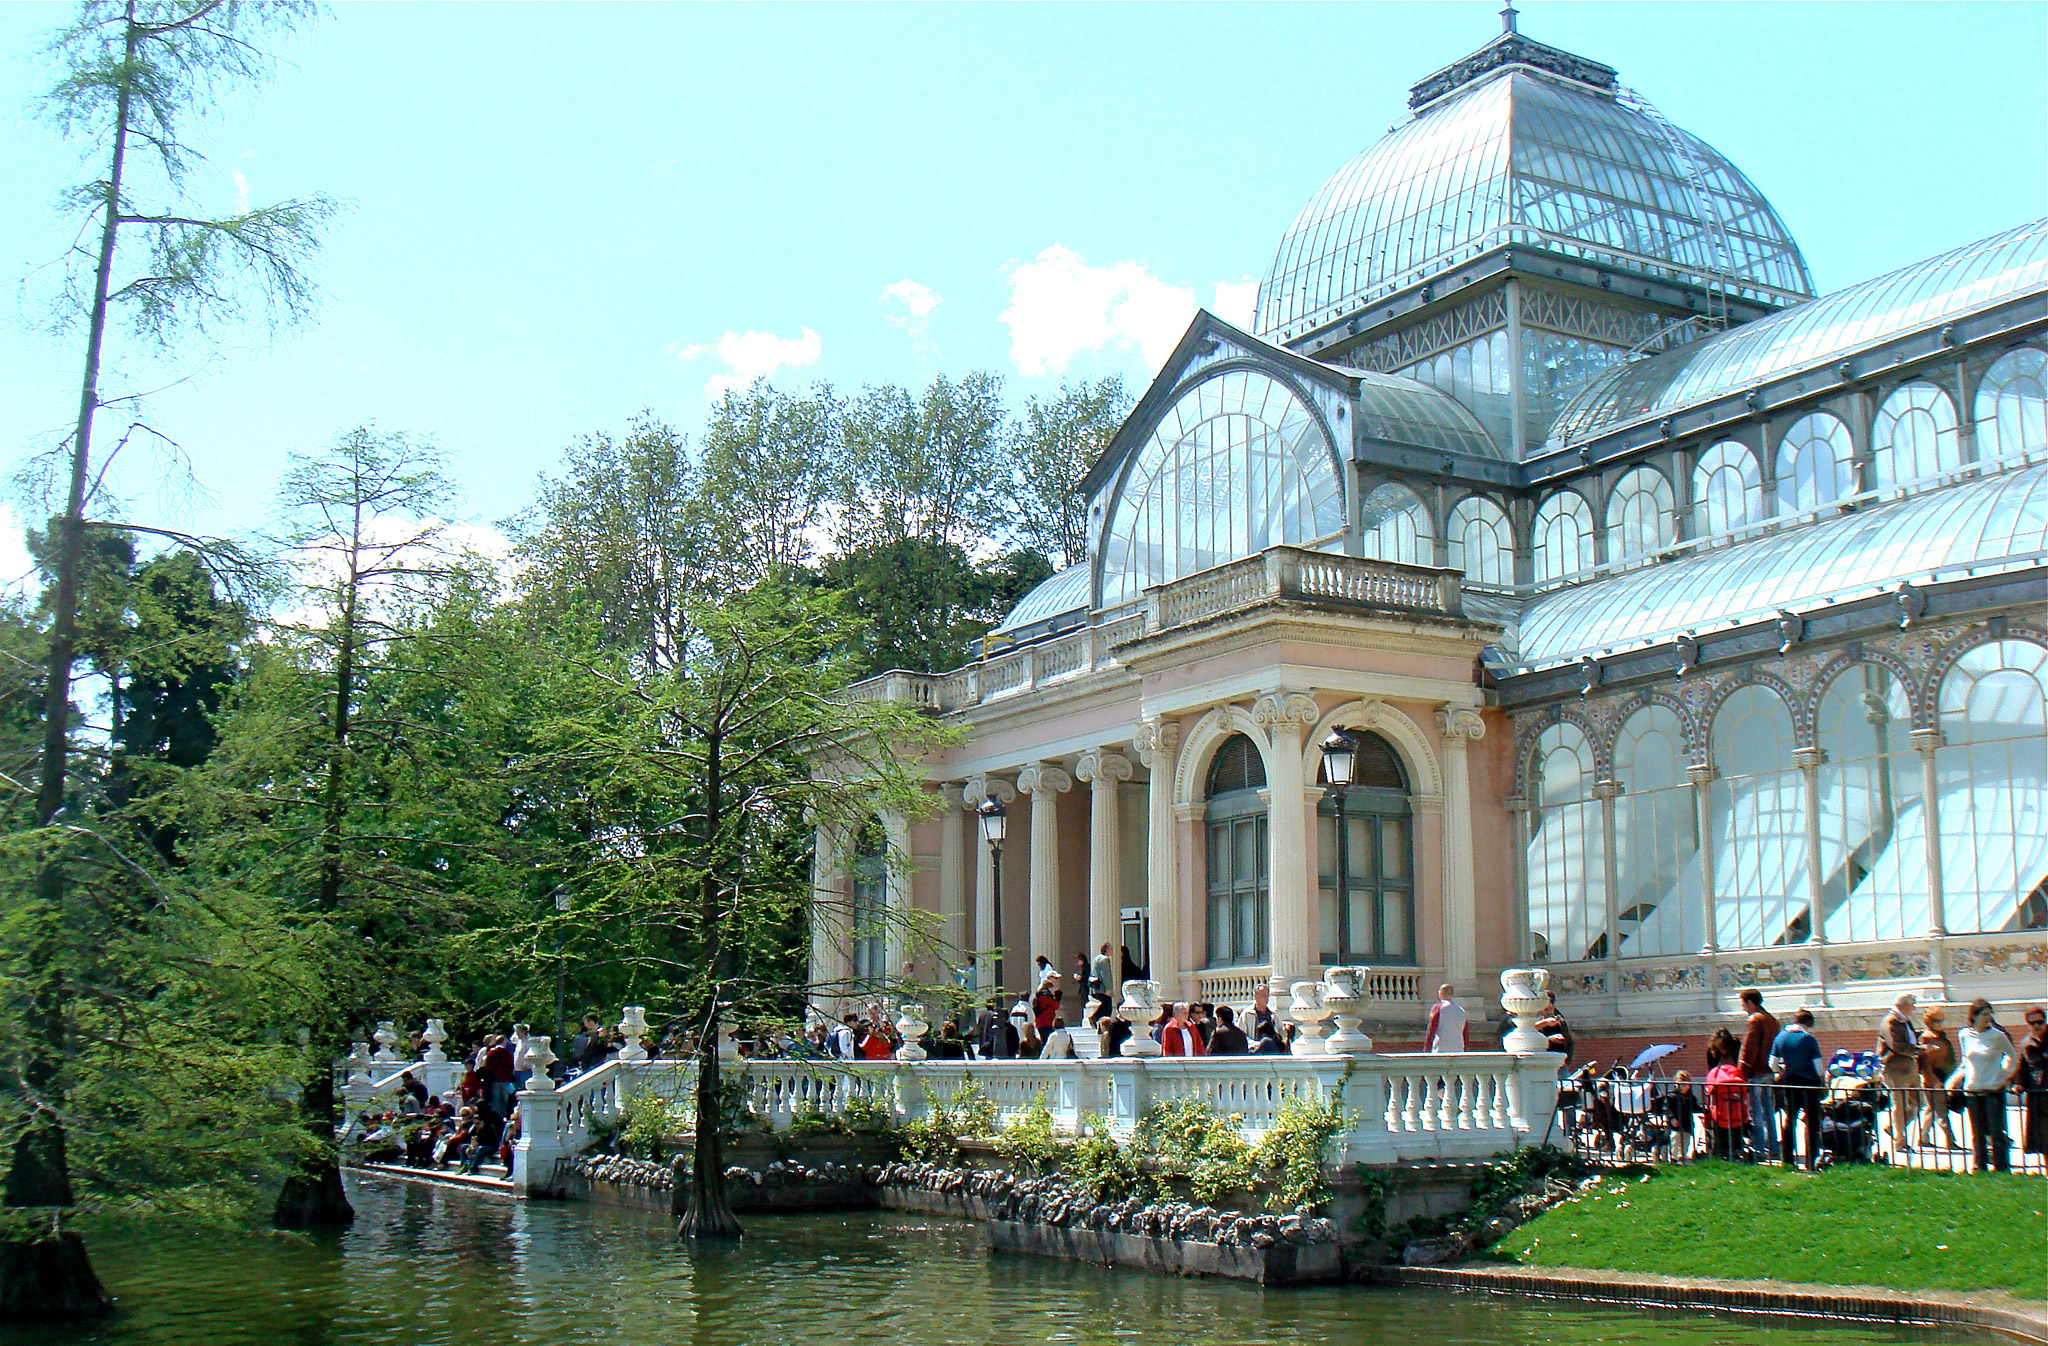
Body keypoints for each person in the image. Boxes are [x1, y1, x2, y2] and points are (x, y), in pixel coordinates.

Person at [1951, 998, 2018, 1173]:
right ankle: (1980, 1166)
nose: (1988, 1018)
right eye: (1984, 1015)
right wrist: (1953, 1080)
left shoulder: (1997, 1035)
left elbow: (2012, 1058)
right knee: (1977, 1133)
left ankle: (2002, 1167)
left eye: (1990, 1014)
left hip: (1993, 1090)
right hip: (1972, 1089)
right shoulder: (1964, 1034)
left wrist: (2003, 1076)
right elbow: (1965, 1061)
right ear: (1974, 1016)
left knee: (1997, 1132)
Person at [1770, 1008, 1825, 1171]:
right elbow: (1818, 1067)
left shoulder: (1780, 1037)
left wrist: (1782, 1070)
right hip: (1809, 1084)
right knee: (1812, 1122)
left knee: (1789, 1120)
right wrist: (1823, 1081)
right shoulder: (1808, 1039)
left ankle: (1787, 1159)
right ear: (1808, 1023)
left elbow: (1772, 1064)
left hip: (1790, 1082)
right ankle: (1811, 1160)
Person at [1877, 993, 1922, 1159]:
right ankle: (1900, 1142)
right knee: (1899, 1104)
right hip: (1895, 1068)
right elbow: (1896, 1045)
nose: (1914, 1009)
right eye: (1912, 1005)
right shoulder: (1891, 1021)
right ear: (1904, 1006)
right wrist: (1920, 1049)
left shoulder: (1905, 1021)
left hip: (1910, 1066)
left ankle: (1894, 1128)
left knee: (1917, 1102)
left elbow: (1909, 1039)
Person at [1737, 988, 1781, 1158]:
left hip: (1755, 1071)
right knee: (1769, 1109)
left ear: (1750, 1003)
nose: (1743, 1008)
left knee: (1755, 1110)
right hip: (1769, 1070)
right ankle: (1773, 1146)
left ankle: (1759, 1147)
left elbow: (1749, 1049)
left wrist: (1742, 1072)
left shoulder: (1755, 1020)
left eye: (1743, 1004)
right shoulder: (1772, 1020)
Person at [1918, 1006, 1961, 1150]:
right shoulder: (1927, 1037)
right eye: (1937, 1021)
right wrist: (1934, 1080)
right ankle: (1950, 1140)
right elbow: (1925, 1063)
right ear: (1930, 1022)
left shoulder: (1942, 1036)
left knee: (1931, 1108)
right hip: (1933, 1076)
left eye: (1942, 1020)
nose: (1941, 1023)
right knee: (1941, 1110)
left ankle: (1923, 1138)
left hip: (1943, 1074)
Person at [1703, 1040, 1750, 1160]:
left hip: (1720, 1113)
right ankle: (1737, 1150)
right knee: (1737, 1135)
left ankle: (1720, 1152)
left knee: (1720, 1135)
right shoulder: (1736, 1072)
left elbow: (1708, 1093)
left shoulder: (1714, 1073)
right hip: (1737, 1113)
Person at [2018, 1005, 2048, 1160]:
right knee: (2044, 1139)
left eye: (2040, 1022)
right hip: (2037, 1098)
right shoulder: (2025, 1044)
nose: (2037, 1026)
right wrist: (2018, 1084)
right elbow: (2022, 1069)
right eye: (2033, 1023)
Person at [1663, 1070, 1702, 1161]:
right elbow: (1666, 1108)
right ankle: (1673, 1158)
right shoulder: (1671, 1096)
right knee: (1675, 1139)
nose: (1681, 1087)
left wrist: (1704, 1110)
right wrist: (1671, 1118)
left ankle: (1682, 1157)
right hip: (1675, 1123)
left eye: (1684, 1085)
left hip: (1686, 1123)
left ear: (1689, 1085)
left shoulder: (1691, 1097)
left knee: (1685, 1141)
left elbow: (1695, 1107)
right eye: (1679, 1084)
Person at [1426, 984, 1468, 1053]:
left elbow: (1432, 1029)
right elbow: (1465, 1034)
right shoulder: (1461, 1010)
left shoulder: (1438, 1008)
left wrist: (1426, 1049)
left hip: (1440, 1049)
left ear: (1441, 993)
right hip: (1458, 1049)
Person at [1536, 993, 1574, 1065]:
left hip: (1560, 1060)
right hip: (1542, 1061)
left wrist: (1567, 1062)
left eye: (1551, 1008)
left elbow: (1569, 1042)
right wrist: (1550, 1040)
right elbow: (1534, 1042)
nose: (1549, 1012)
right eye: (1546, 1009)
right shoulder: (1537, 1022)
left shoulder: (1560, 1021)